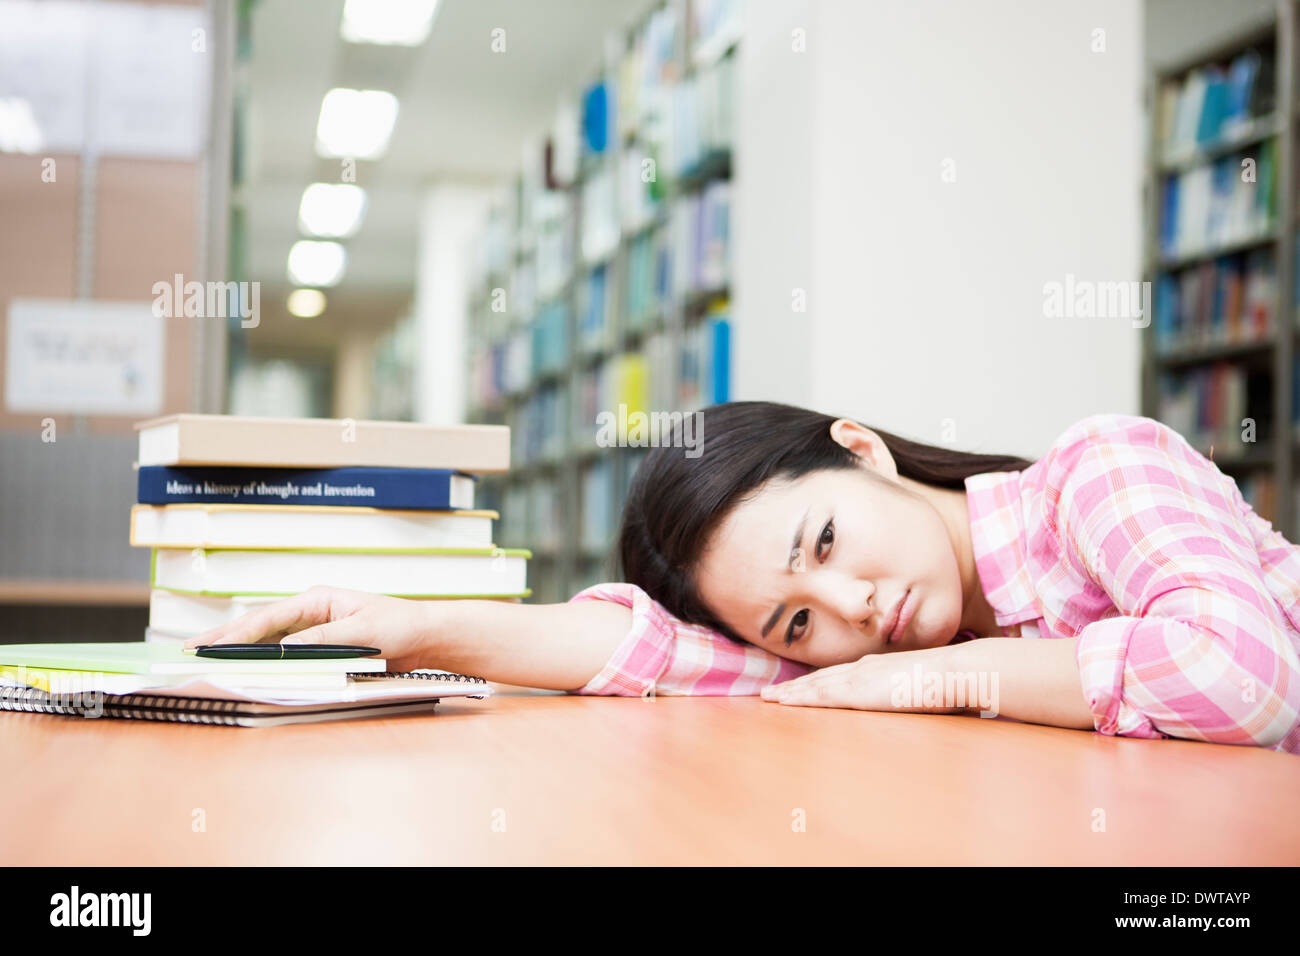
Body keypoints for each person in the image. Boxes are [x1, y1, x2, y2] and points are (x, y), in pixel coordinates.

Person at [186, 402, 1300, 755]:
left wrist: (952, 676)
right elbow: (667, 657)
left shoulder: (1096, 470)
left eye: (823, 541)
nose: (853, 607)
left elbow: (1247, 680)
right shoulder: (864, 645)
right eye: (796, 620)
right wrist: (413, 626)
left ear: (859, 447)